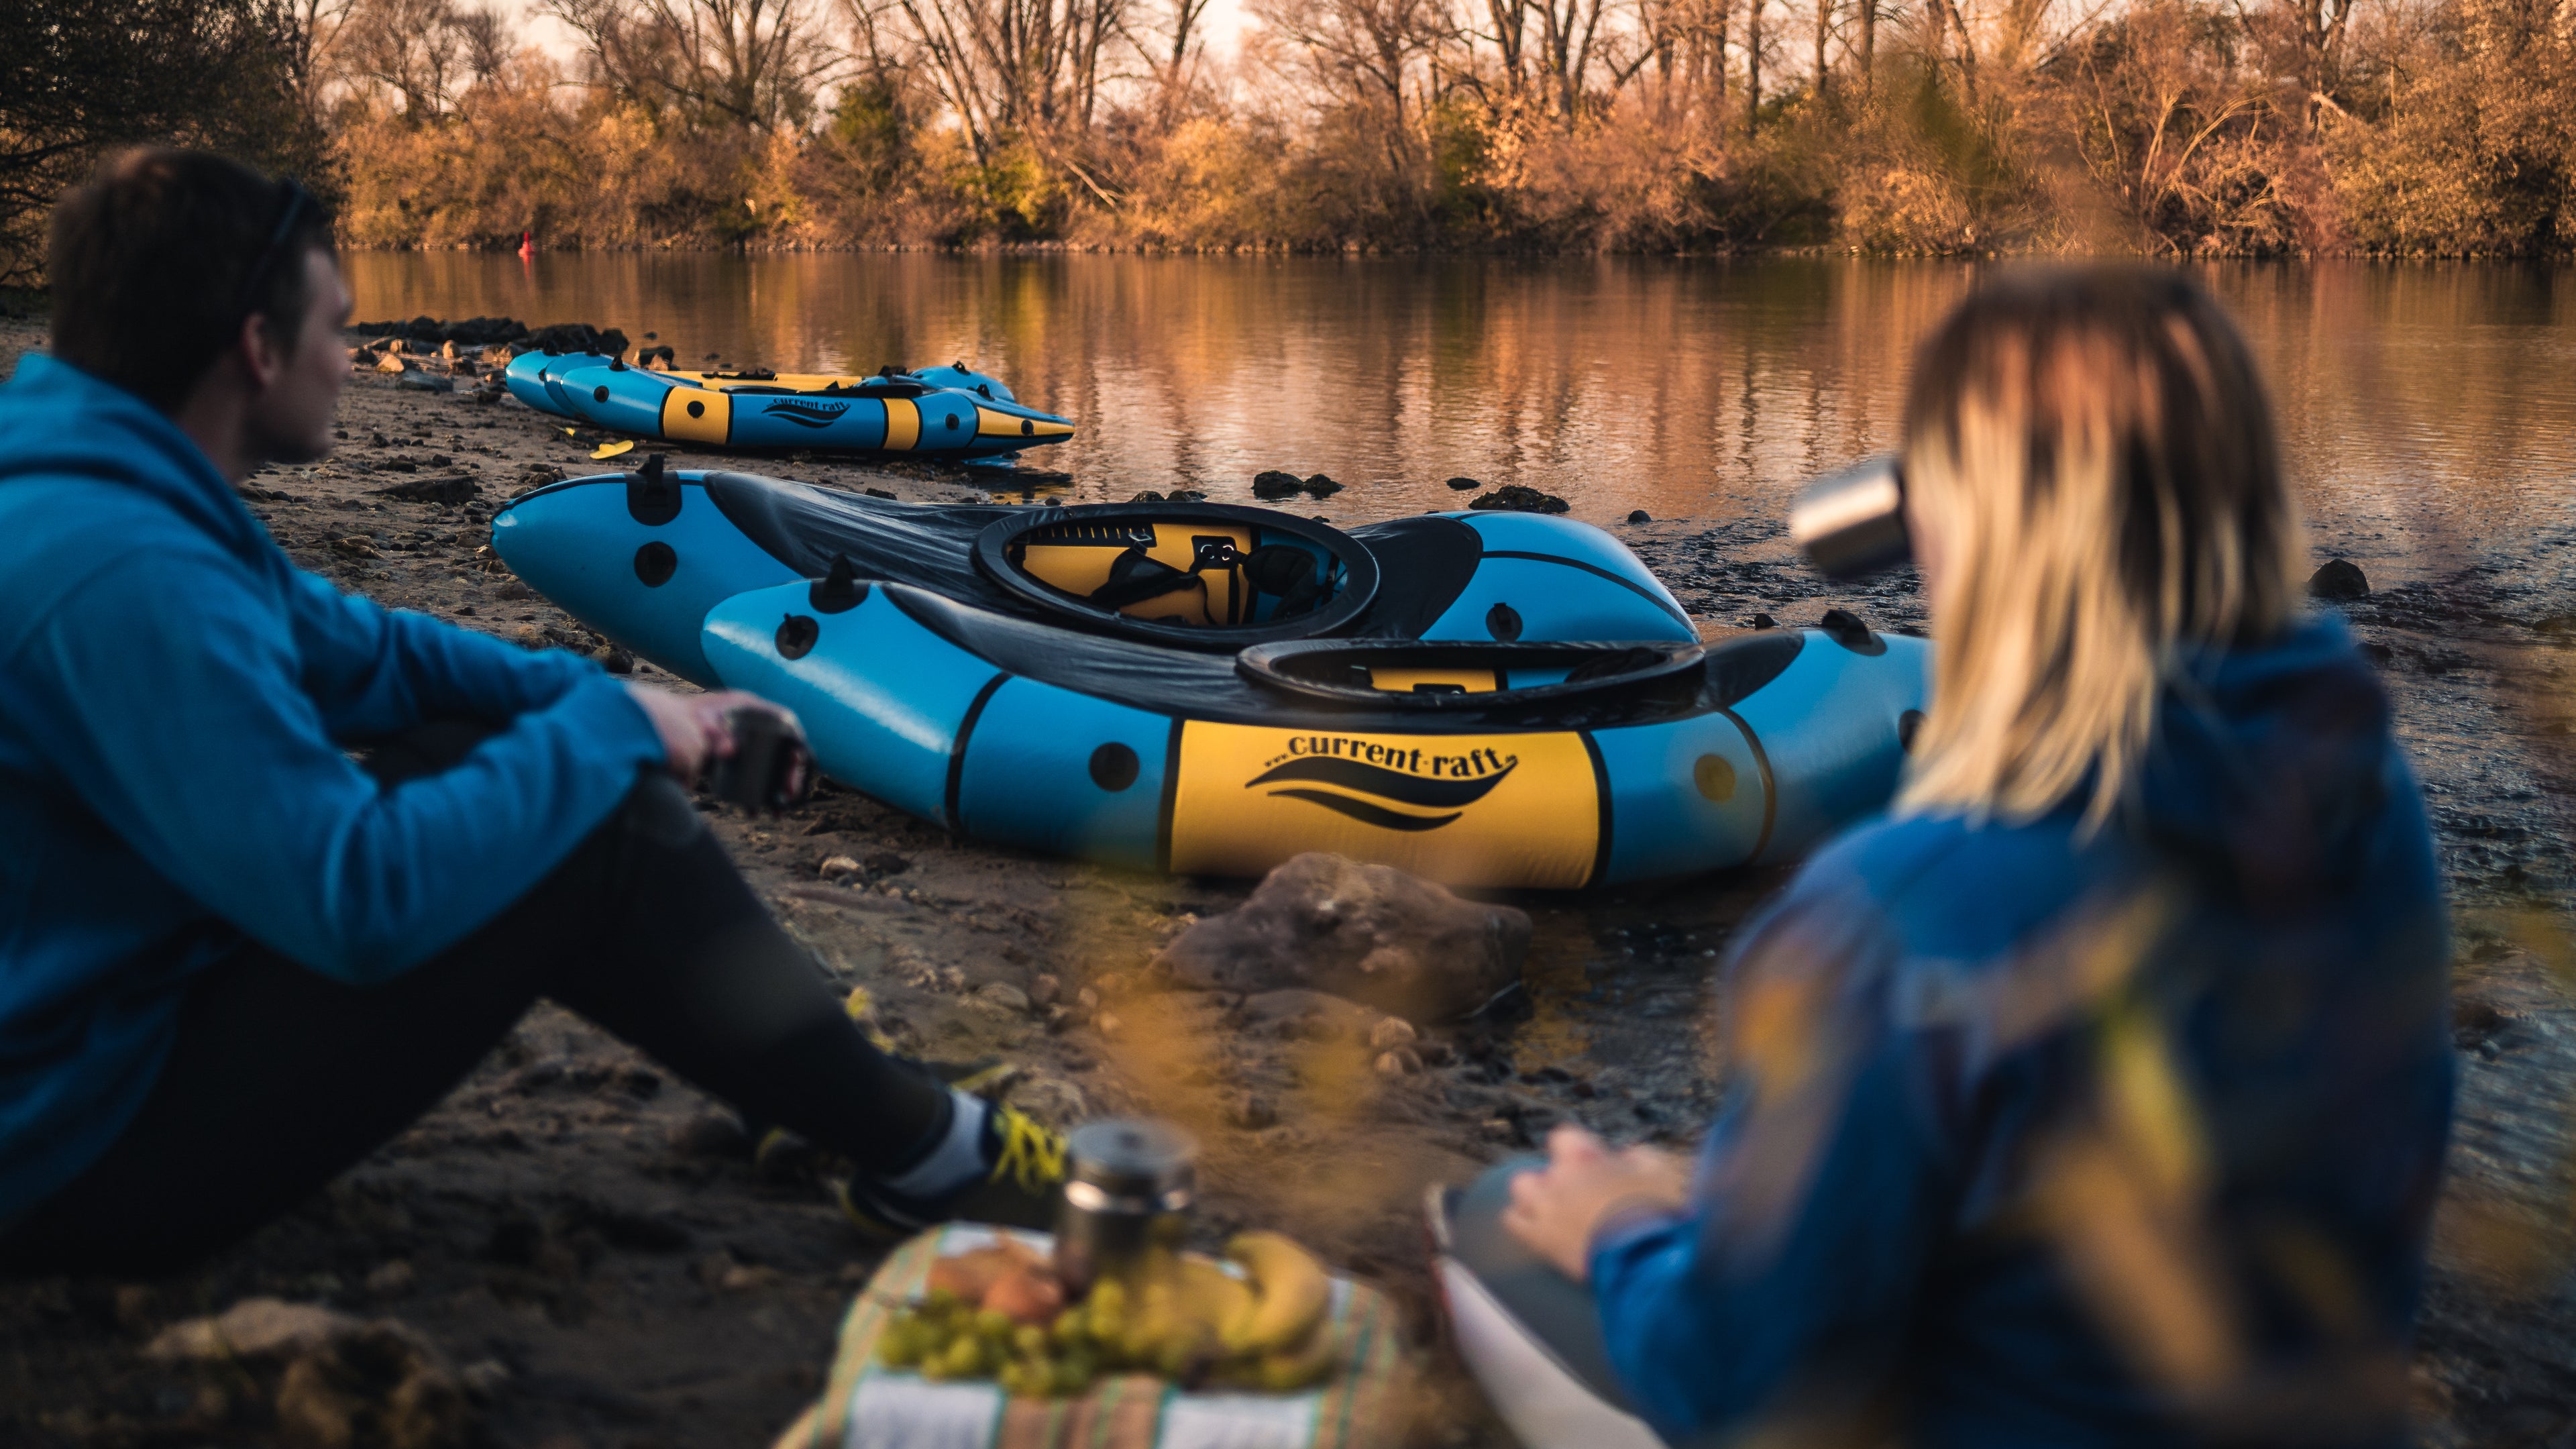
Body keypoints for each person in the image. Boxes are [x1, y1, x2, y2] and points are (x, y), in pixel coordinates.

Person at [0, 148, 1064, 1277]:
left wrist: (619, 699)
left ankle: (808, 1092)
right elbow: (354, 898)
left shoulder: (93, 494)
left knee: (497, 745)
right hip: (67, 1158)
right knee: (587, 827)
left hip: (94, 1038)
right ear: (258, 350)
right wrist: (610, 736)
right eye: (337, 327)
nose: (350, 362)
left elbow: (372, 654)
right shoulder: (126, 577)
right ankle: (931, 1156)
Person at [1493, 270, 2453, 1446]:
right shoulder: (2365, 795)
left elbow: (1732, 1373)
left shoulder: (1900, 908)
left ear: (1955, 525)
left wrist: (1616, 1230)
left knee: (1501, 1223)